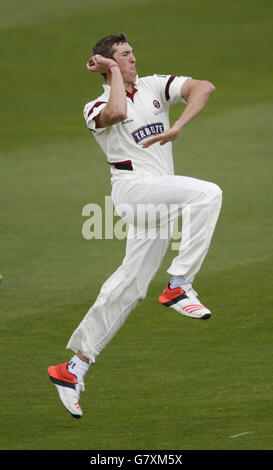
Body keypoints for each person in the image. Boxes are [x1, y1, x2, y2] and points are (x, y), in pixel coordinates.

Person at [48, 33, 222, 418]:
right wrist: (111, 74)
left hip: (157, 202)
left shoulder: (153, 85)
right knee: (208, 194)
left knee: (128, 286)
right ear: (107, 64)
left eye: (131, 54)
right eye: (123, 56)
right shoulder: (94, 106)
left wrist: (178, 125)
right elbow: (117, 115)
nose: (133, 60)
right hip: (133, 192)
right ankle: (178, 286)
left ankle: (72, 369)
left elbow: (203, 87)